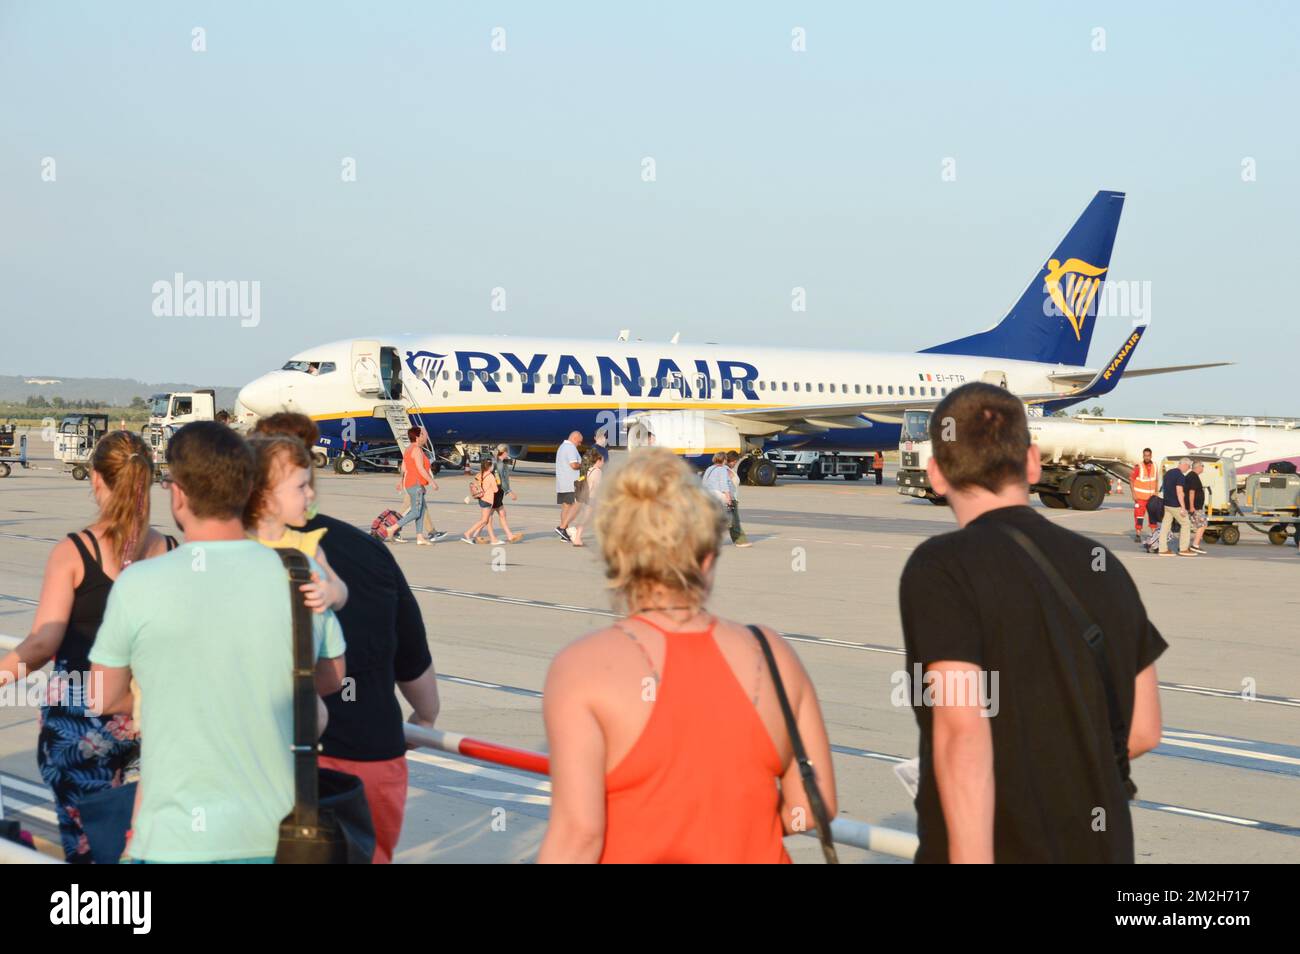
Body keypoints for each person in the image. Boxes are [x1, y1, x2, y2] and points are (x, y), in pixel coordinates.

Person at [899, 383, 1165, 863]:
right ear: (1033, 461)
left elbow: (963, 730)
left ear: (935, 474)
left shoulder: (942, 568)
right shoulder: (1102, 563)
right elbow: (1144, 730)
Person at [538, 448, 836, 863]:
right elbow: (814, 806)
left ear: (615, 558)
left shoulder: (582, 669)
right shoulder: (773, 654)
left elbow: (580, 835)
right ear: (709, 558)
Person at [88, 422, 347, 863]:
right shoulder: (301, 574)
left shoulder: (139, 583)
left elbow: (104, 696)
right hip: (280, 838)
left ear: (179, 494)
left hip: (173, 841)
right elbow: (330, 677)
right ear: (249, 490)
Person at [252, 412, 441, 864]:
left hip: (267, 753)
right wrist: (425, 717)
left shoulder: (236, 551)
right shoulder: (366, 550)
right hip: (367, 754)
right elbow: (412, 656)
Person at [0, 431, 176, 862]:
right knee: (145, 841)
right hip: (148, 720)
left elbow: (44, 641)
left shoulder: (74, 552)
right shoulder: (170, 551)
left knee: (88, 845)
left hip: (81, 722)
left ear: (96, 478)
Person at [246, 435, 347, 611]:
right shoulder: (237, 542)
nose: (311, 494)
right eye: (302, 486)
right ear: (264, 495)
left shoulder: (307, 545)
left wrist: (330, 592)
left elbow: (340, 589)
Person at [392, 426, 438, 545]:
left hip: (413, 483)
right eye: (423, 434)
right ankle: (392, 529)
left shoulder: (409, 449)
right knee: (415, 512)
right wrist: (431, 481)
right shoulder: (416, 450)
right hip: (414, 483)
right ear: (418, 437)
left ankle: (420, 537)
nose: (425, 436)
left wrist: (401, 481)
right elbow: (420, 469)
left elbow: (404, 467)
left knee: (421, 511)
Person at [486, 444, 523, 543]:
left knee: (501, 514)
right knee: (487, 517)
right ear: (505, 452)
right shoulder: (499, 464)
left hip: (498, 492)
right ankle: (479, 535)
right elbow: (501, 480)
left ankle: (509, 535)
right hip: (495, 492)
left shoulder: (499, 462)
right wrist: (509, 492)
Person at [1158, 458, 1195, 557]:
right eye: (1189, 466)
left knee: (1165, 527)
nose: (1189, 469)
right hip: (1175, 505)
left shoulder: (1169, 473)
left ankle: (1162, 549)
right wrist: (1183, 507)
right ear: (1185, 465)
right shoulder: (1180, 476)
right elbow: (1180, 492)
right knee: (1186, 523)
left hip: (1166, 504)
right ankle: (1183, 549)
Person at [568, 448, 604, 547]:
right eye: (603, 461)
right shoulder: (598, 472)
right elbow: (595, 487)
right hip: (593, 499)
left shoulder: (589, 470)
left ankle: (577, 536)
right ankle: (577, 537)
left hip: (587, 498)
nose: (603, 463)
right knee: (587, 519)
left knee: (588, 518)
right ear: (598, 460)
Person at [462, 459, 501, 545]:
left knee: (486, 520)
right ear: (490, 467)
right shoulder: (491, 476)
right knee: (484, 520)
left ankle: (477, 536)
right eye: (492, 466)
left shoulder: (479, 474)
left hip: (481, 498)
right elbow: (495, 490)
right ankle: (468, 533)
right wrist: (497, 481)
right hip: (487, 500)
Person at [555, 430, 583, 542]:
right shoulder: (571, 448)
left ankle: (564, 533)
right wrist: (585, 465)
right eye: (580, 442)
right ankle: (562, 528)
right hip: (571, 482)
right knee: (577, 506)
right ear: (575, 438)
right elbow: (574, 465)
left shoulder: (562, 447)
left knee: (565, 507)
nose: (580, 444)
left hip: (562, 482)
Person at [1130, 448, 1159, 543]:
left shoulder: (1155, 466)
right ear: (1143, 456)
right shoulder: (1138, 467)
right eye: (1145, 455)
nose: (1147, 457)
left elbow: (1157, 480)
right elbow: (1131, 480)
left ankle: (1154, 534)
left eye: (1148, 455)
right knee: (1139, 516)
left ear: (1151, 456)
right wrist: (1133, 494)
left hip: (1151, 498)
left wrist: (1156, 492)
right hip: (1140, 497)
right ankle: (1138, 534)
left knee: (1153, 516)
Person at [724, 451, 752, 548]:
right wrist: (729, 499)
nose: (735, 463)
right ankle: (740, 541)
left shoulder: (726, 469)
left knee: (731, 522)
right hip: (729, 500)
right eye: (735, 461)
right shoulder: (726, 470)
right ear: (732, 461)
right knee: (734, 522)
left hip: (730, 498)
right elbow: (725, 486)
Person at [1185, 460, 1208, 555]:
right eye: (1202, 466)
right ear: (1198, 467)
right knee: (1203, 524)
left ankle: (1188, 545)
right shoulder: (1193, 477)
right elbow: (1191, 492)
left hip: (1195, 506)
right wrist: (1191, 506)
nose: (1203, 468)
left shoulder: (1191, 476)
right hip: (1195, 507)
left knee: (1192, 526)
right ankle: (1195, 545)